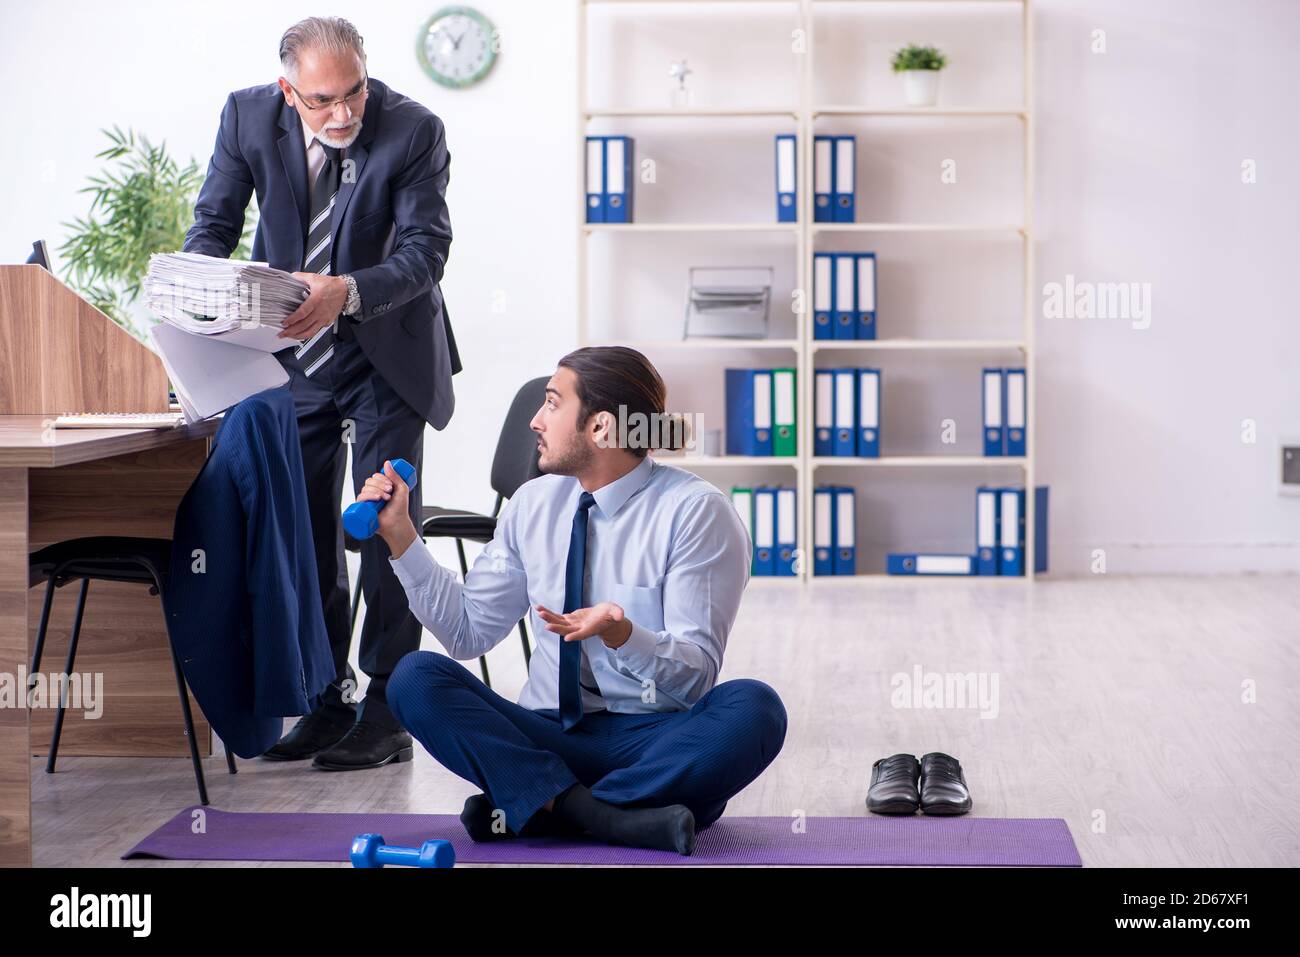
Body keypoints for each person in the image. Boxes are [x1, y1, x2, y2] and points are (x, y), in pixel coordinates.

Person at [357, 346, 787, 855]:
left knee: (755, 709)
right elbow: (468, 634)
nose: (536, 421)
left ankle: (537, 804)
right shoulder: (532, 504)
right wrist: (403, 536)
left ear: (602, 427)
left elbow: (695, 675)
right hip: (548, 736)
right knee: (415, 678)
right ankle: (606, 816)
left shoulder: (696, 513)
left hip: (652, 741)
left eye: (552, 404)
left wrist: (624, 635)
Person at [184, 16, 461, 770]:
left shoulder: (412, 130)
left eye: (354, 93)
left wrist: (348, 290)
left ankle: (387, 707)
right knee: (304, 536)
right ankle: (325, 697)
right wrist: (195, 299)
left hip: (387, 352)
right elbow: (212, 225)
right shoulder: (246, 116)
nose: (342, 114)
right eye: (322, 101)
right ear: (287, 91)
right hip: (293, 356)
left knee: (379, 526)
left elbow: (424, 252)